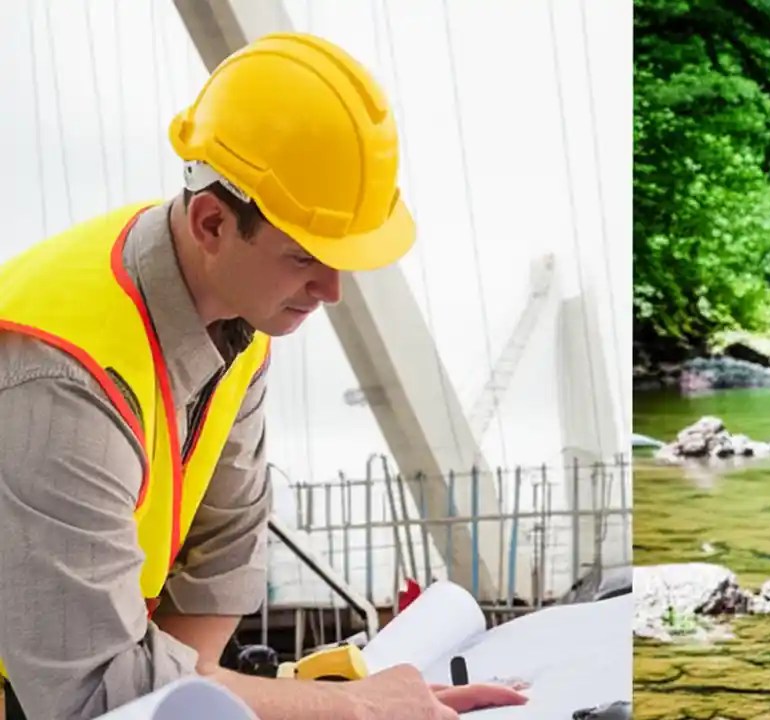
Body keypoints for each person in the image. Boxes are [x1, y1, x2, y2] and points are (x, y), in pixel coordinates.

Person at [0, 32, 526, 720]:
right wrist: (355, 708)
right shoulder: (60, 377)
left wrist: (199, 702)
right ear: (213, 222)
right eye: (307, 255)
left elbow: (225, 551)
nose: (332, 290)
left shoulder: (236, 314)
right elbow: (91, 694)